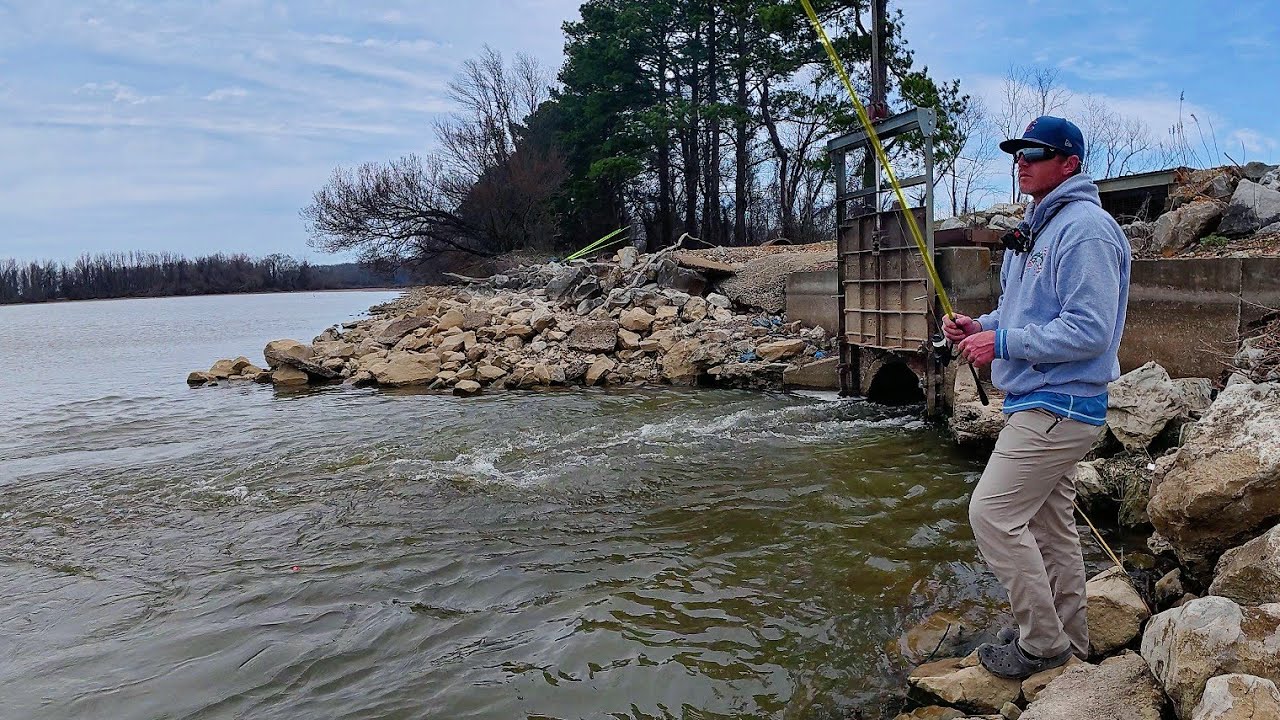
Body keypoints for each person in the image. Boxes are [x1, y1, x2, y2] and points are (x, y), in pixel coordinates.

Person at [942, 116, 1132, 679]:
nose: (1021, 161)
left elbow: (1091, 330)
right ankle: (1070, 642)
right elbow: (1024, 314)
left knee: (993, 515)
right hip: (1042, 403)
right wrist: (980, 324)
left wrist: (1001, 342)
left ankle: (1041, 643)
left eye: (1035, 153)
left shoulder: (1086, 230)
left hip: (1061, 406)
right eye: (1018, 153)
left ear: (1070, 163)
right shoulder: (1038, 227)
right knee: (1052, 530)